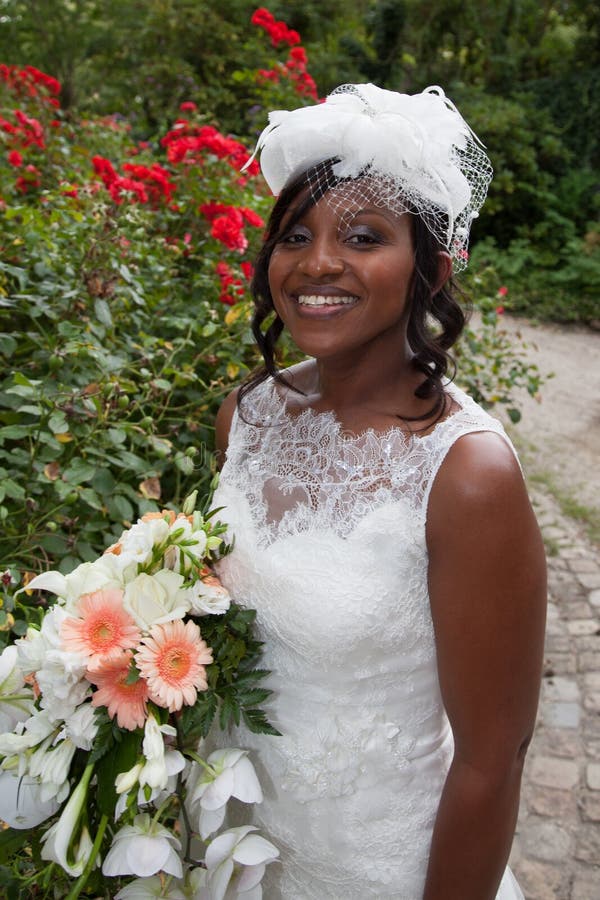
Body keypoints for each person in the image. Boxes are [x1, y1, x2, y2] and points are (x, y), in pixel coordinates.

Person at [213, 83, 547, 899]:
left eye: (363, 237)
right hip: (227, 850)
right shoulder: (245, 416)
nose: (318, 262)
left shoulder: (466, 475)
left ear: (429, 266)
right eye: (296, 236)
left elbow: (490, 760)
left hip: (380, 871)